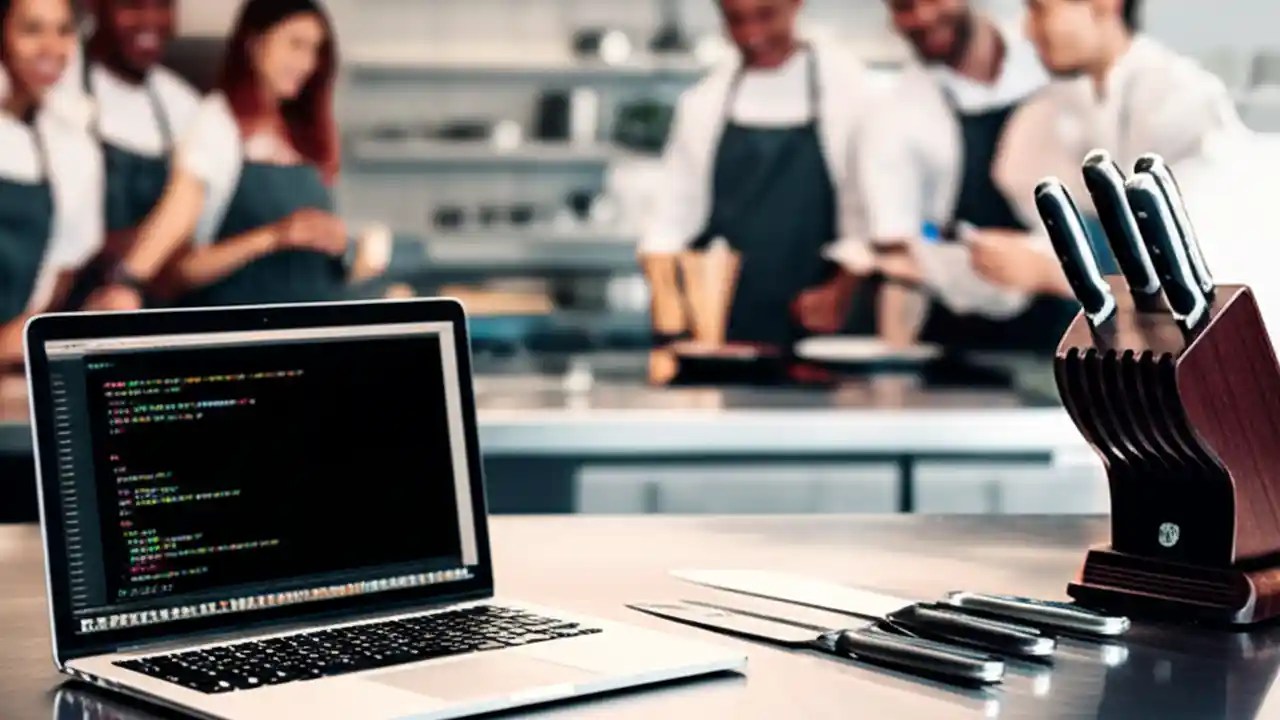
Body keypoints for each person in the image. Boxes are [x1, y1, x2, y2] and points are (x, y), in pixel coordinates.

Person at [639, 0, 877, 377]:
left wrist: (841, 291)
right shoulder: (705, 101)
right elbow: (671, 220)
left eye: (766, 16)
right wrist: (671, 304)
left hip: (820, 331)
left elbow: (867, 214)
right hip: (725, 334)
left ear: (796, 5)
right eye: (735, 21)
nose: (752, 35)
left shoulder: (847, 89)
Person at [85, 0, 354, 309]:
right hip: (247, 326)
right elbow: (175, 226)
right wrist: (126, 282)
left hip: (320, 318)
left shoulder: (308, 135)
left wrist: (345, 249)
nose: (307, 63)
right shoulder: (218, 124)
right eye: (295, 44)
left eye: (315, 50)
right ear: (255, 44)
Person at [860, 0, 1077, 353]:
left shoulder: (1055, 65)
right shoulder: (894, 115)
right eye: (903, 7)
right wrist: (894, 363)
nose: (922, 17)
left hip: (1070, 323)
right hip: (958, 338)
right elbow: (897, 255)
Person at [998, 0, 1245, 244]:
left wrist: (1057, 269)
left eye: (1041, 10)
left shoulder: (1183, 98)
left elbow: (1196, 245)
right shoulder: (1051, 106)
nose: (1029, 31)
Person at [0, 0, 121, 363]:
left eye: (63, 30)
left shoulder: (67, 138)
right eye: (31, 30)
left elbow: (65, 265)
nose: (51, 47)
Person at [78, 0, 199, 271]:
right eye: (132, 5)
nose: (150, 20)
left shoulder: (183, 103)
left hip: (153, 290)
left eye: (162, 5)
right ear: (94, 7)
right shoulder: (60, 86)